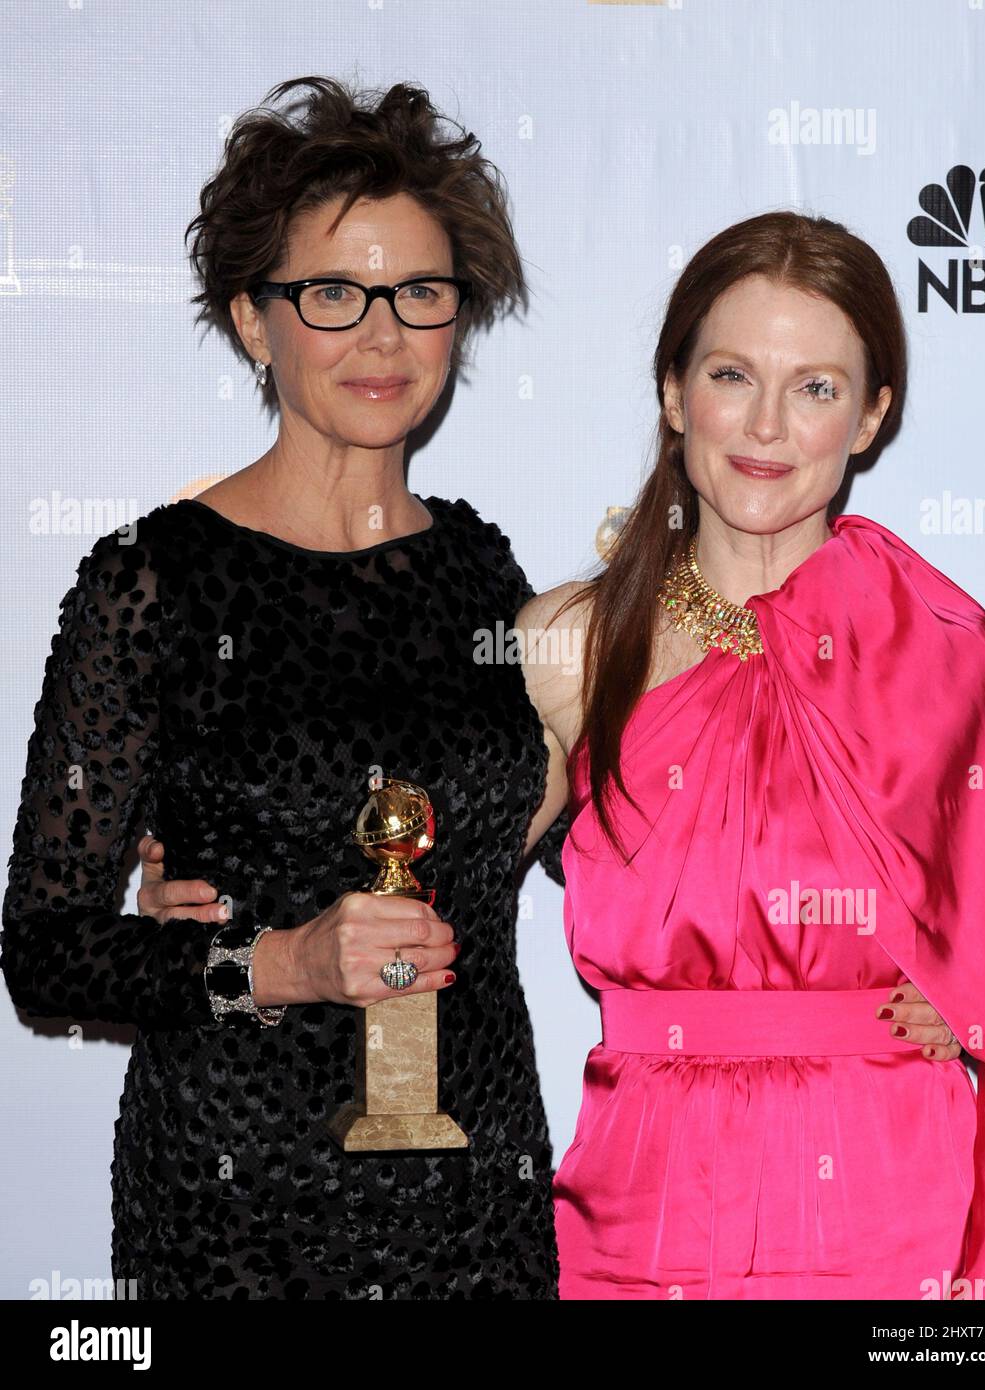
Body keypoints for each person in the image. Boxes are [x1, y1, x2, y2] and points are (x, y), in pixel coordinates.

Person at [0, 75, 570, 1299]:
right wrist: (281, 961)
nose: (381, 334)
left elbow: (547, 838)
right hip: (238, 1207)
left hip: (475, 1201)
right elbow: (45, 951)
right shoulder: (155, 582)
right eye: (332, 293)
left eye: (419, 293)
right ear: (255, 322)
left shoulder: (483, 570)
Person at [517, 211, 985, 1299]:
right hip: (636, 1213)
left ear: (870, 418)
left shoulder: (947, 652)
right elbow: (431, 892)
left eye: (816, 387)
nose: (767, 424)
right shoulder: (567, 643)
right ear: (675, 394)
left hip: (895, 1216)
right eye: (731, 375)